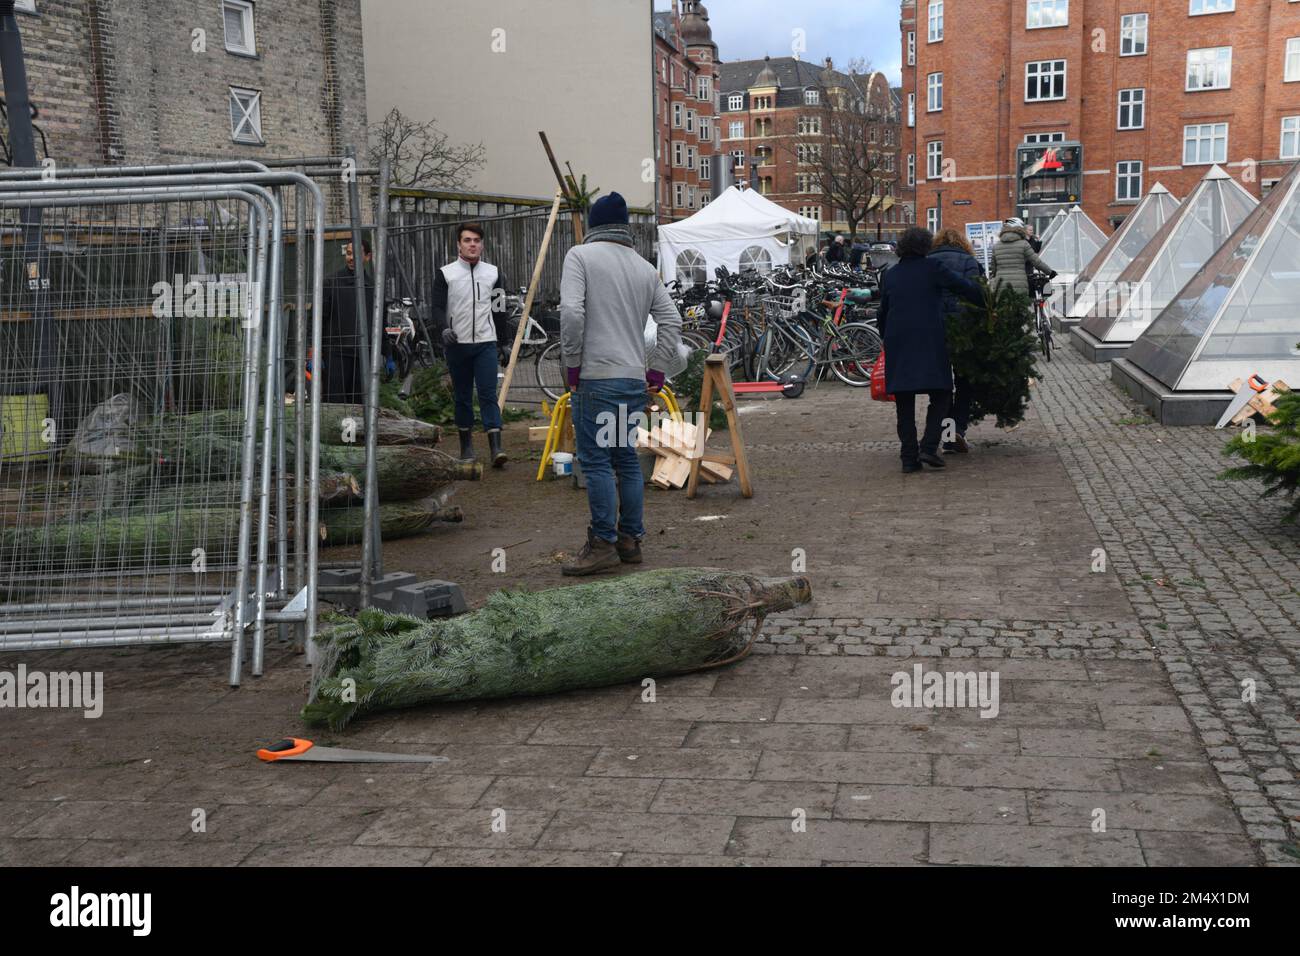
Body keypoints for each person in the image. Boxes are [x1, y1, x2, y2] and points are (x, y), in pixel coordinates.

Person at [559, 192, 682, 576]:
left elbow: (572, 313)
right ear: (625, 228)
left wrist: (572, 364)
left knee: (595, 462)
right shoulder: (645, 268)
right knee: (626, 459)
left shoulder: (579, 256)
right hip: (632, 379)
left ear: (595, 226)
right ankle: (630, 541)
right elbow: (672, 321)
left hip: (596, 378)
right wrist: (657, 372)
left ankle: (602, 544)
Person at [877, 226, 981, 473]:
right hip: (930, 340)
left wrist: (886, 339)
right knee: (942, 394)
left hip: (899, 342)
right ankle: (928, 446)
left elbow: (882, 312)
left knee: (904, 402)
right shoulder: (932, 268)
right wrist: (984, 300)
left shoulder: (890, 274)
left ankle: (909, 458)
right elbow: (966, 288)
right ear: (925, 246)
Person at [432, 222, 509, 467]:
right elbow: (437, 307)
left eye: (476, 240)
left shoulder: (494, 273)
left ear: (482, 244)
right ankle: (466, 448)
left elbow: (499, 309)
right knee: (463, 396)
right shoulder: (446, 273)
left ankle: (496, 448)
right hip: (458, 344)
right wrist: (443, 328)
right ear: (458, 244)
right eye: (467, 240)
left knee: (488, 394)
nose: (472, 244)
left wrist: (504, 342)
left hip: (486, 342)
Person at [928, 228, 985, 454]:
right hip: (963, 328)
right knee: (964, 382)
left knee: (941, 386)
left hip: (934, 329)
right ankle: (956, 430)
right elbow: (979, 292)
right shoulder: (969, 261)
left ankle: (947, 432)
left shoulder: (928, 261)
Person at [321, 239, 377, 404]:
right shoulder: (332, 282)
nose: (351, 258)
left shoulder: (372, 287)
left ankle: (360, 430)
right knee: (335, 403)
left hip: (363, 356)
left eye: (357, 254)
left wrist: (387, 354)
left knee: (361, 403)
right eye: (349, 253)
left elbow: (378, 323)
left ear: (368, 257)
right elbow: (318, 318)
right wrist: (314, 350)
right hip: (336, 355)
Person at [989, 217, 1054, 296]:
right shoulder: (1024, 244)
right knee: (1022, 307)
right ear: (1019, 229)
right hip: (1020, 286)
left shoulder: (996, 246)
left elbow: (993, 269)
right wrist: (1050, 272)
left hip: (1001, 286)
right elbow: (1036, 262)